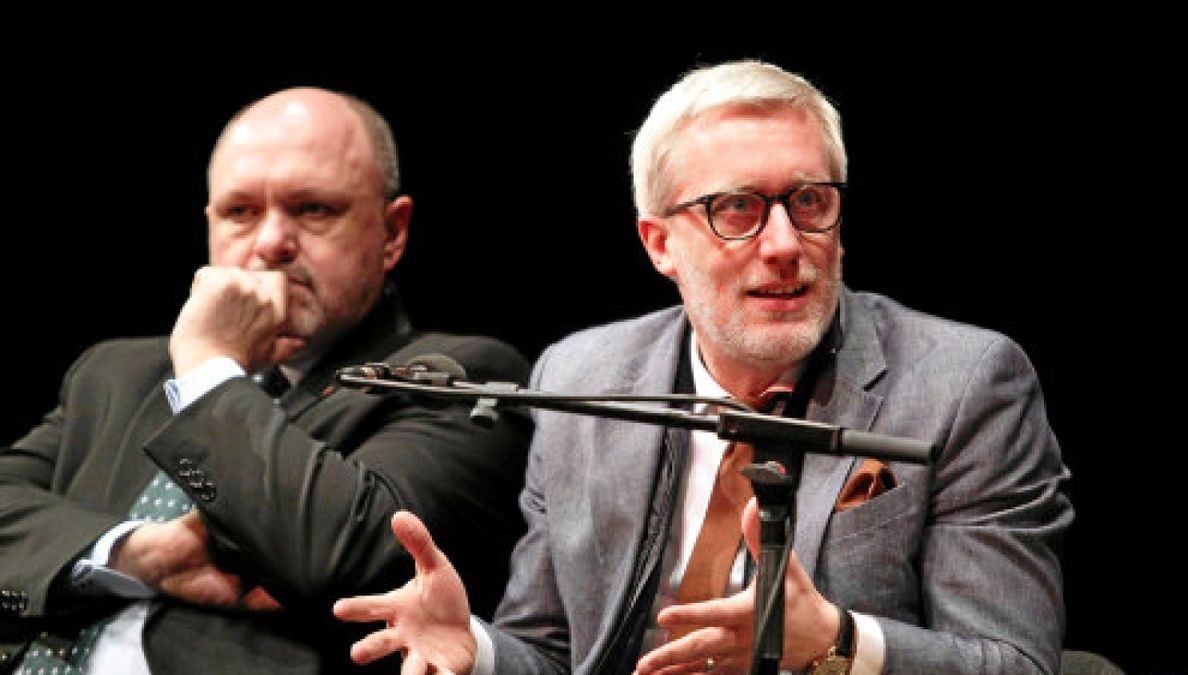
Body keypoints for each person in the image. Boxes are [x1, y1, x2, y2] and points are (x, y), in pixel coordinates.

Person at [332, 59, 1072, 674]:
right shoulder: (584, 377)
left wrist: (842, 641)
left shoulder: (963, 383)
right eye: (738, 209)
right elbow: (557, 650)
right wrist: (480, 650)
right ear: (660, 244)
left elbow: (1016, 661)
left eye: (810, 201)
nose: (785, 242)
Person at [0, 87, 532, 674]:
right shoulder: (115, 373)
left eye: (313, 210)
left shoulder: (456, 378)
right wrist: (139, 553)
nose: (270, 243)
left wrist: (208, 366)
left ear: (393, 231)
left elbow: (346, 554)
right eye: (240, 212)